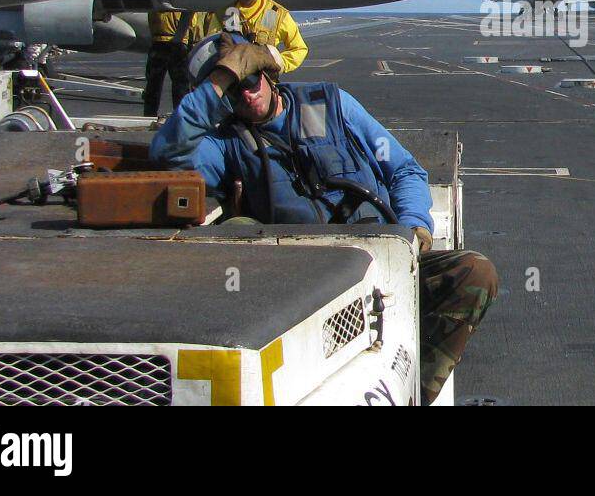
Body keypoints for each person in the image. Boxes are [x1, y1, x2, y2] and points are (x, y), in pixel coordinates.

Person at [150, 34, 497, 404]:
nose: (247, 96)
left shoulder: (332, 105)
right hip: (307, 282)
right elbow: (168, 156)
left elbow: (404, 170)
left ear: (267, 74)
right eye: (233, 92)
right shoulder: (226, 143)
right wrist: (220, 82)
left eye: (250, 81)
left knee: (475, 272)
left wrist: (414, 228)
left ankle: (415, 392)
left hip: (382, 263)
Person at [194, 0, 309, 73]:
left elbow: (299, 48)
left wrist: (278, 64)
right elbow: (208, 50)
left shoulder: (275, 14)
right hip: (230, 82)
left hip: (262, 84)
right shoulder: (224, 14)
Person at [143, 10, 198, 117]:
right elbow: (193, 21)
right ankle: (181, 115)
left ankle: (149, 114)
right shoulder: (183, 0)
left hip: (162, 40)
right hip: (177, 41)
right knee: (180, 84)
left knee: (154, 83)